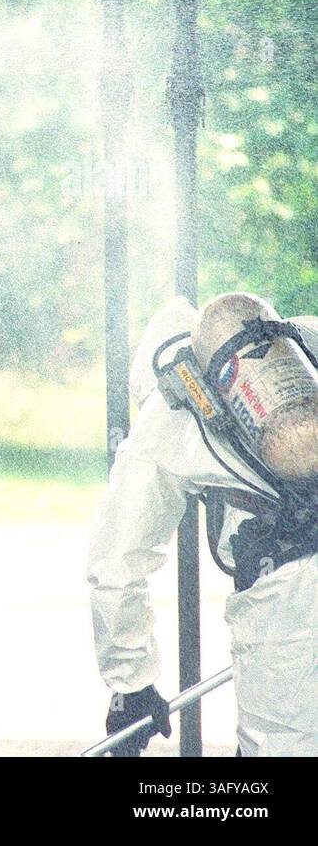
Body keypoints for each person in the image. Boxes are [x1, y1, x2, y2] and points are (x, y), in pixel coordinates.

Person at [89, 293, 318, 756]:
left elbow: (115, 565)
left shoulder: (166, 411)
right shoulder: (305, 339)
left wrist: (131, 682)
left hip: (285, 600)